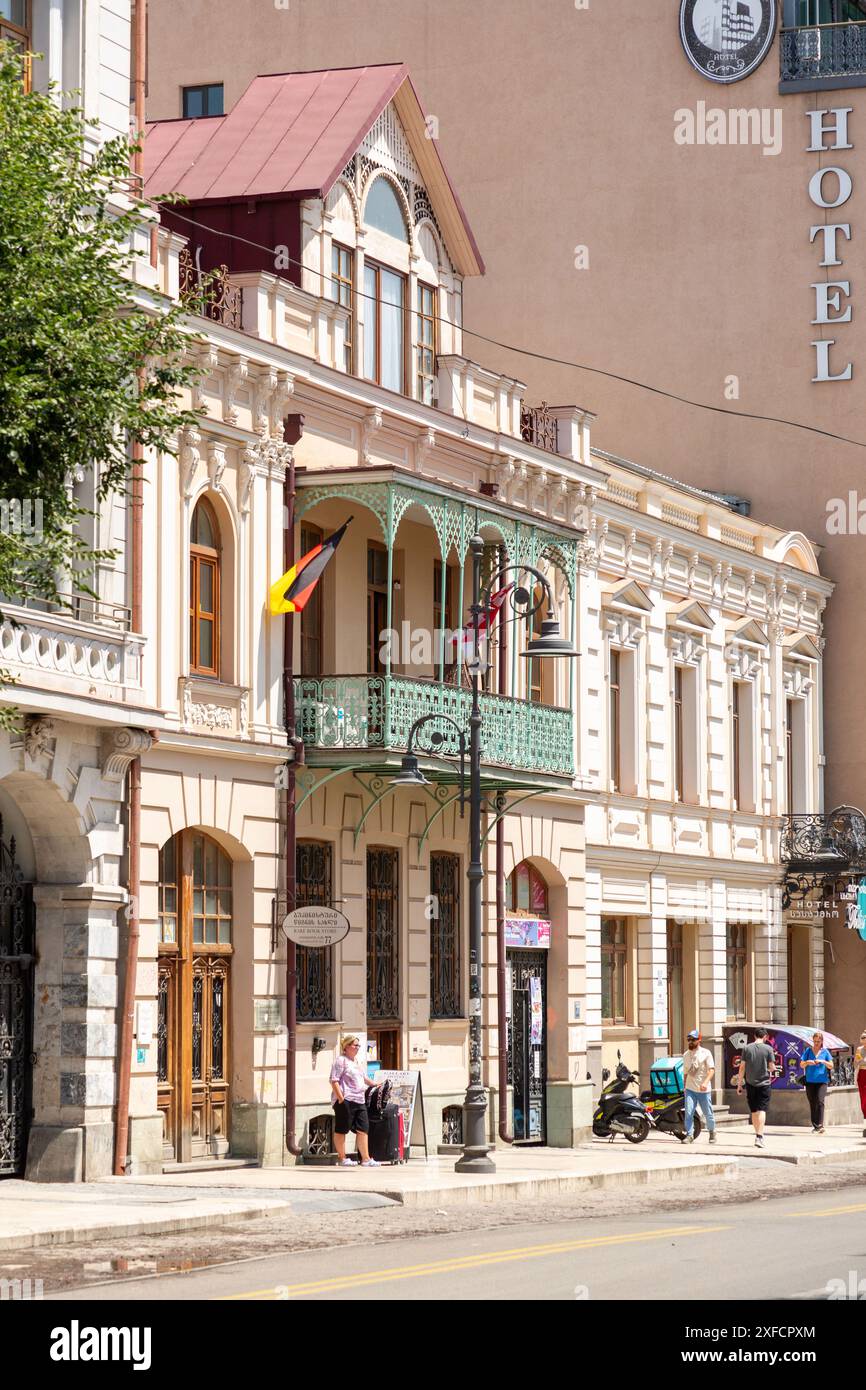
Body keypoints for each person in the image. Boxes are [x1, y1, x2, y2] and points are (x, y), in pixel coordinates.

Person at [329, 1035, 383, 1167]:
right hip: (345, 1100)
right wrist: (341, 1099)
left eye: (358, 1045)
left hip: (359, 1100)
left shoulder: (356, 1062)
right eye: (355, 1045)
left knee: (363, 1128)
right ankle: (342, 1158)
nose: (357, 1048)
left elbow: (364, 1078)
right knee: (342, 1129)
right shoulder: (341, 1060)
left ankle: (365, 1159)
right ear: (346, 1046)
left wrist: (376, 1084)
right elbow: (334, 1080)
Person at [736, 1026, 777, 1149]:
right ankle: (759, 1136)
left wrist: (739, 1084)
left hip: (750, 1083)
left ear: (754, 1036)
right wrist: (770, 1069)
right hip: (764, 1083)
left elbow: (742, 1067)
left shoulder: (747, 1048)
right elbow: (772, 1067)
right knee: (762, 1110)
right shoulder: (768, 1049)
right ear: (765, 1037)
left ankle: (757, 1134)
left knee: (754, 1110)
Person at [682, 1028, 717, 1144]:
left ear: (699, 1040)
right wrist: (684, 1086)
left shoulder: (706, 1053)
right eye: (689, 1040)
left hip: (703, 1090)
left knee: (708, 1113)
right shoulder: (686, 1055)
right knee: (688, 1112)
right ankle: (690, 1135)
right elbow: (686, 1072)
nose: (690, 1042)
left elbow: (711, 1070)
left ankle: (712, 1132)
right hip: (690, 1089)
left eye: (693, 1040)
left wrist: (705, 1082)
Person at [799, 1030, 833, 1134]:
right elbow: (801, 1064)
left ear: (822, 1041)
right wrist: (807, 1062)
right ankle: (815, 1125)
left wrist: (823, 1061)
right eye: (815, 1041)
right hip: (810, 1081)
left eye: (818, 1041)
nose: (816, 1043)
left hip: (822, 1081)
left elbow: (831, 1065)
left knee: (820, 1101)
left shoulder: (825, 1052)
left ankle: (820, 1125)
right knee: (812, 1102)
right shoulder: (808, 1051)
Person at [854, 1031, 866, 1138]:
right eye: (863, 1037)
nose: (865, 1039)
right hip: (862, 1074)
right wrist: (859, 1060)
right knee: (863, 1100)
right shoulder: (859, 1050)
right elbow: (855, 1064)